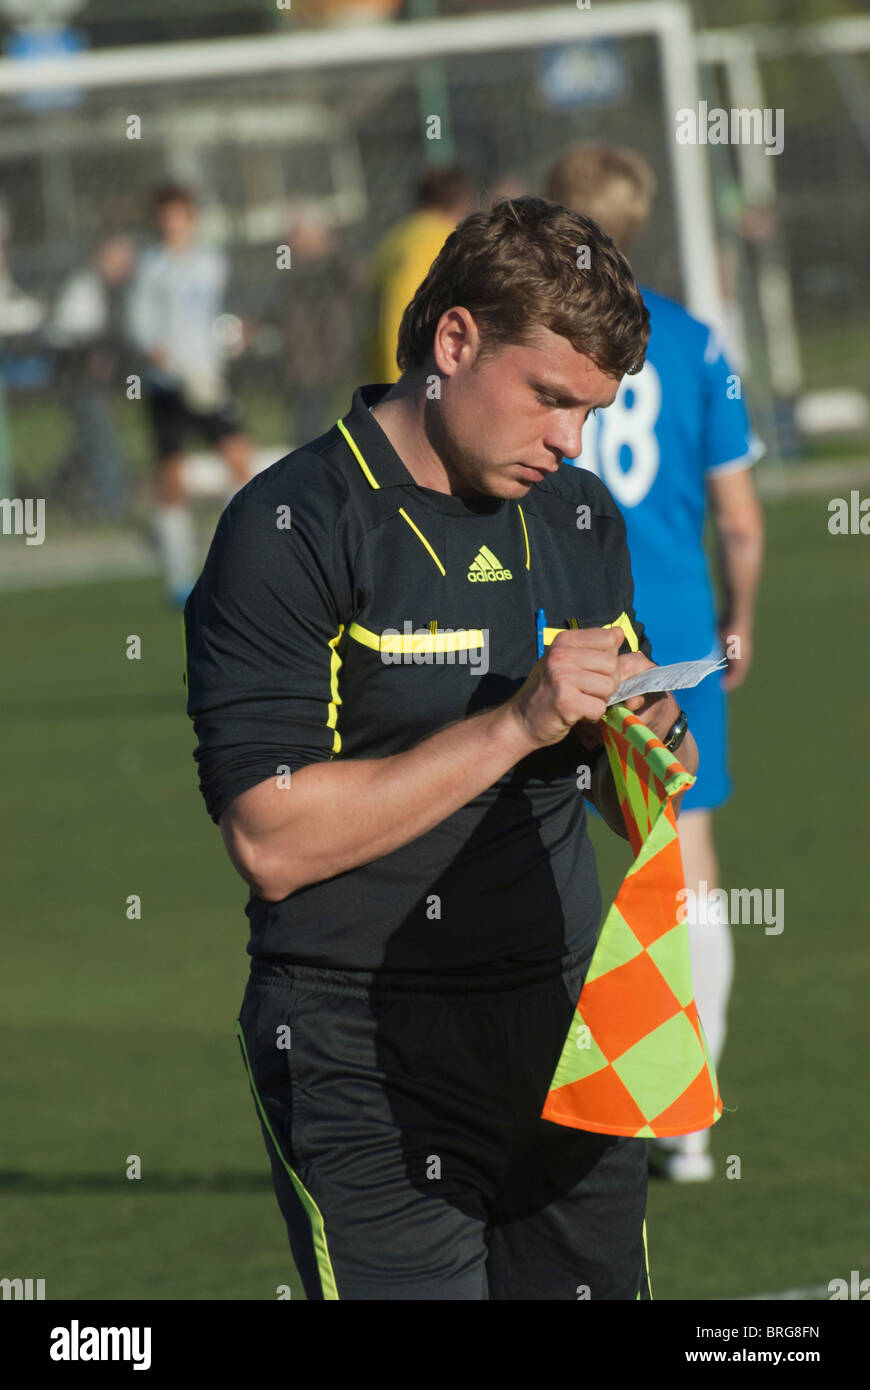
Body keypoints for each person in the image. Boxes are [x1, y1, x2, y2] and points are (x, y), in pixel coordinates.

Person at [183, 196, 698, 1300]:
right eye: (552, 399)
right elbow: (272, 839)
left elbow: (614, 758)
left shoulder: (578, 516)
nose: (570, 441)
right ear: (453, 343)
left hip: (572, 1036)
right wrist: (516, 723)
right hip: (360, 1052)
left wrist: (646, 742)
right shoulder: (291, 528)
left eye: (593, 411)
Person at [545, 144, 765, 1182]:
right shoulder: (693, 341)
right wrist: (741, 620)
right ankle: (686, 1122)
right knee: (685, 862)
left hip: (555, 623)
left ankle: (546, 1116)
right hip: (674, 633)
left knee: (546, 852)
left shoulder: (537, 340)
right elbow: (742, 520)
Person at [127, 183, 253, 606]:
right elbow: (140, 326)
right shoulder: (152, 267)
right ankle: (180, 579)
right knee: (172, 478)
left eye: (179, 213)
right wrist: (159, 355)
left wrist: (235, 337)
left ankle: (240, 561)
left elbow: (224, 317)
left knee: (238, 460)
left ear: (191, 217)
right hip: (168, 388)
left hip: (207, 383)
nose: (172, 222)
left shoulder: (211, 262)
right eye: (166, 214)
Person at [45, 234, 136, 521]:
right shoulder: (85, 288)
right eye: (120, 260)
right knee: (101, 442)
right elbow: (66, 334)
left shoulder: (117, 292)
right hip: (79, 382)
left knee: (90, 441)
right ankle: (112, 509)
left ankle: (56, 488)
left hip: (102, 383)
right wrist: (92, 355)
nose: (126, 267)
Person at [368, 166, 473, 385]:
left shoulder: (393, 240)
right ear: (460, 201)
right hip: (420, 378)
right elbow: (399, 313)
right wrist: (399, 381)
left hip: (378, 373)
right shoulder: (445, 240)